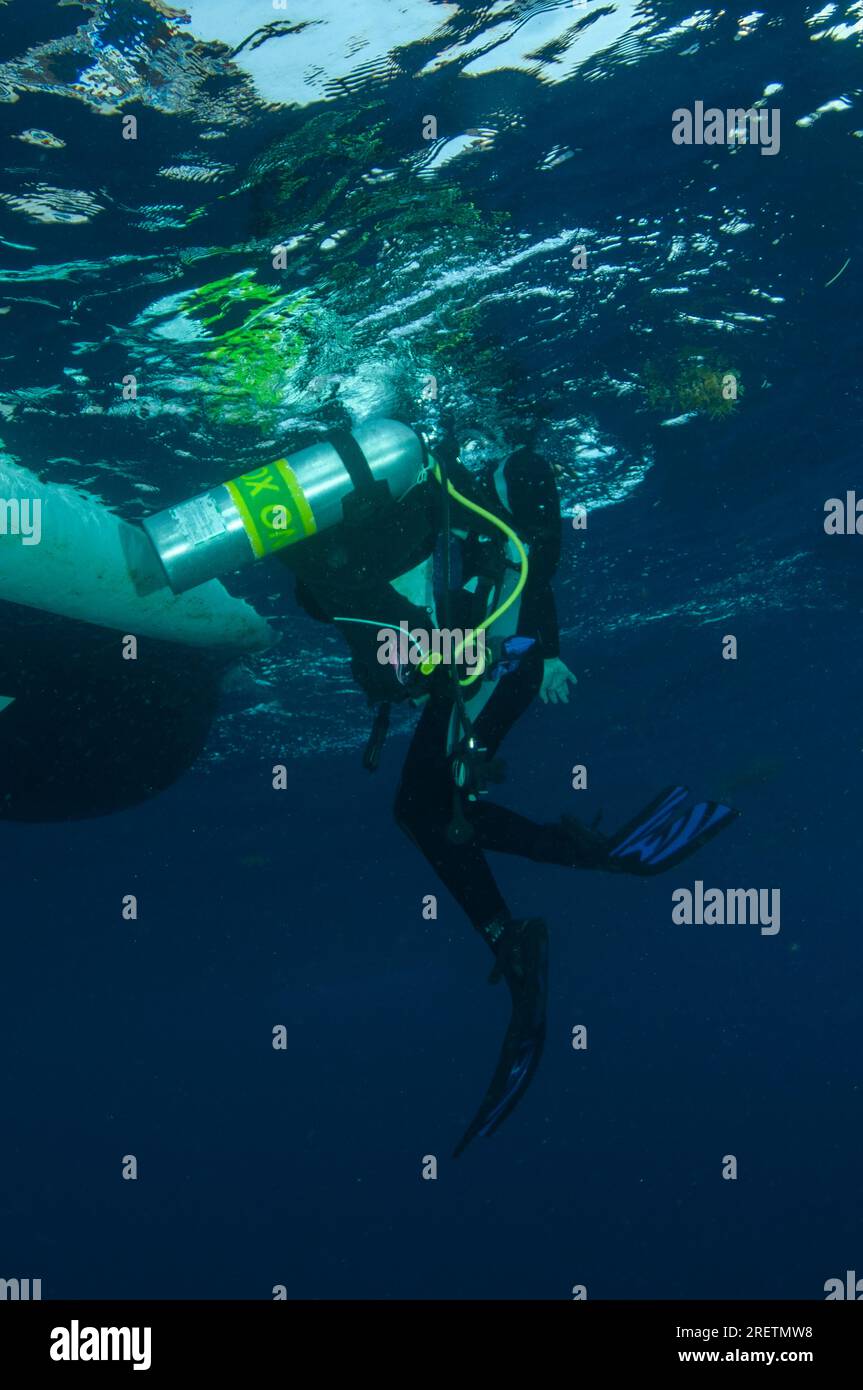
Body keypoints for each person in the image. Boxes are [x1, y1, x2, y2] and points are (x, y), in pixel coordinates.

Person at [278, 418, 737, 1154]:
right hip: (476, 667)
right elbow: (508, 563)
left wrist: (541, 653)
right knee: (425, 808)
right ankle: (568, 873)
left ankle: (539, 908)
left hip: (495, 664)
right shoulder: (444, 489)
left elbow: (532, 558)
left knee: (426, 808)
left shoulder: (501, 471)